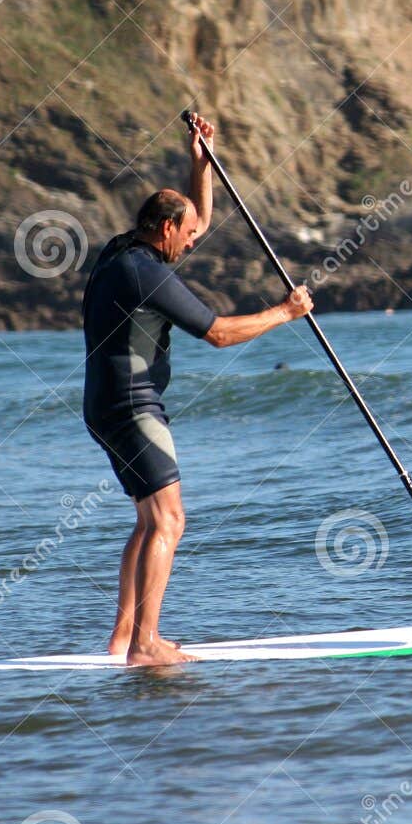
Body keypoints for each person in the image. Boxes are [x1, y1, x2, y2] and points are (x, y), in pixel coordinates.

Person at [82, 112, 313, 665]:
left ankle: (121, 640)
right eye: (185, 236)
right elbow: (218, 333)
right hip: (133, 405)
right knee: (169, 520)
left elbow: (198, 217)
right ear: (165, 231)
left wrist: (199, 160)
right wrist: (286, 312)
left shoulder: (120, 251)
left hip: (102, 405)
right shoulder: (148, 275)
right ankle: (145, 645)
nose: (192, 243)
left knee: (146, 521)